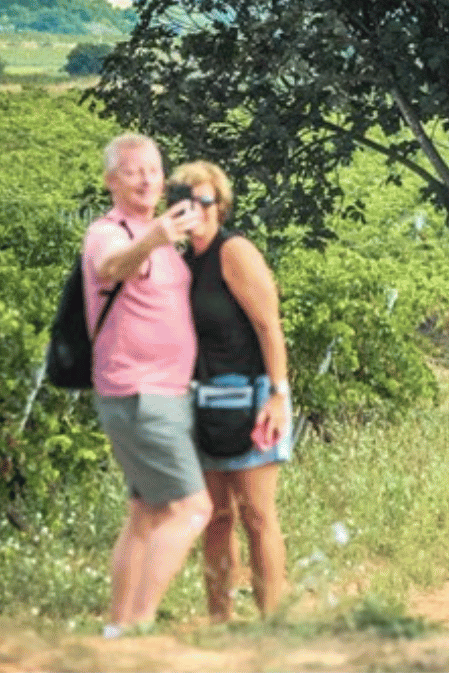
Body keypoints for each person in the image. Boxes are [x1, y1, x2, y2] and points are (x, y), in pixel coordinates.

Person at [82, 133, 210, 638]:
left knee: (146, 514)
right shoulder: (108, 232)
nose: (146, 180)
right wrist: (154, 238)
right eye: (133, 171)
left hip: (162, 392)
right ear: (111, 181)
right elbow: (110, 266)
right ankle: (139, 625)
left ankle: (118, 630)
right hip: (139, 393)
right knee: (192, 509)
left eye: (153, 170)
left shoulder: (161, 234)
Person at [169, 161, 291, 622]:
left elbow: (269, 325)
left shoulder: (234, 251)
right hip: (202, 402)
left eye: (205, 200)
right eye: (185, 201)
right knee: (215, 516)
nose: (195, 210)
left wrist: (277, 395)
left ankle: (271, 622)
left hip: (253, 396)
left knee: (257, 514)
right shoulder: (181, 263)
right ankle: (220, 621)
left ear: (220, 206)